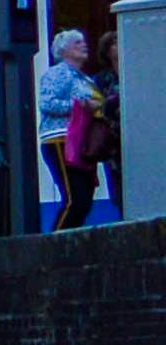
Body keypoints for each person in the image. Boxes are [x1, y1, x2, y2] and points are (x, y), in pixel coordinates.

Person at [50, 27, 111, 228]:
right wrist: (80, 107)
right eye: (77, 42)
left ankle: (69, 245)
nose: (83, 45)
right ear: (64, 50)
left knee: (85, 200)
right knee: (74, 198)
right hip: (61, 139)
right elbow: (47, 103)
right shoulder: (57, 73)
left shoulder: (84, 79)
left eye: (83, 41)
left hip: (83, 141)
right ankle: (55, 247)